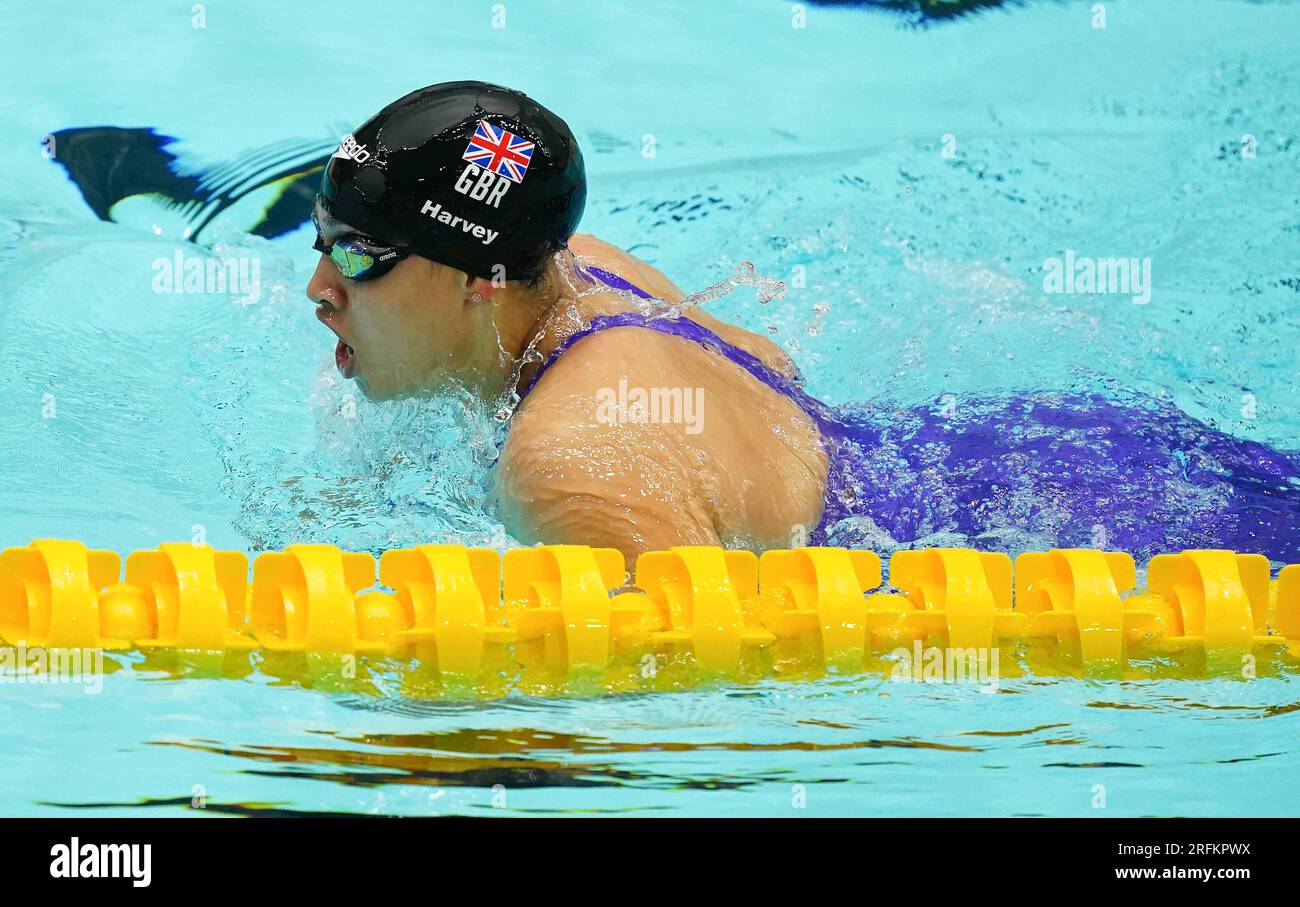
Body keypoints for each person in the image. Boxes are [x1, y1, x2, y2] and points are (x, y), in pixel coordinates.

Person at [309, 81, 1300, 563]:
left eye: (356, 255)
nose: (317, 288)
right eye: (317, 243)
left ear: (482, 276)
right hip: (1049, 450)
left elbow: (698, 705)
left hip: (1093, 543)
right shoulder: (578, 268)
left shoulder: (573, 462)